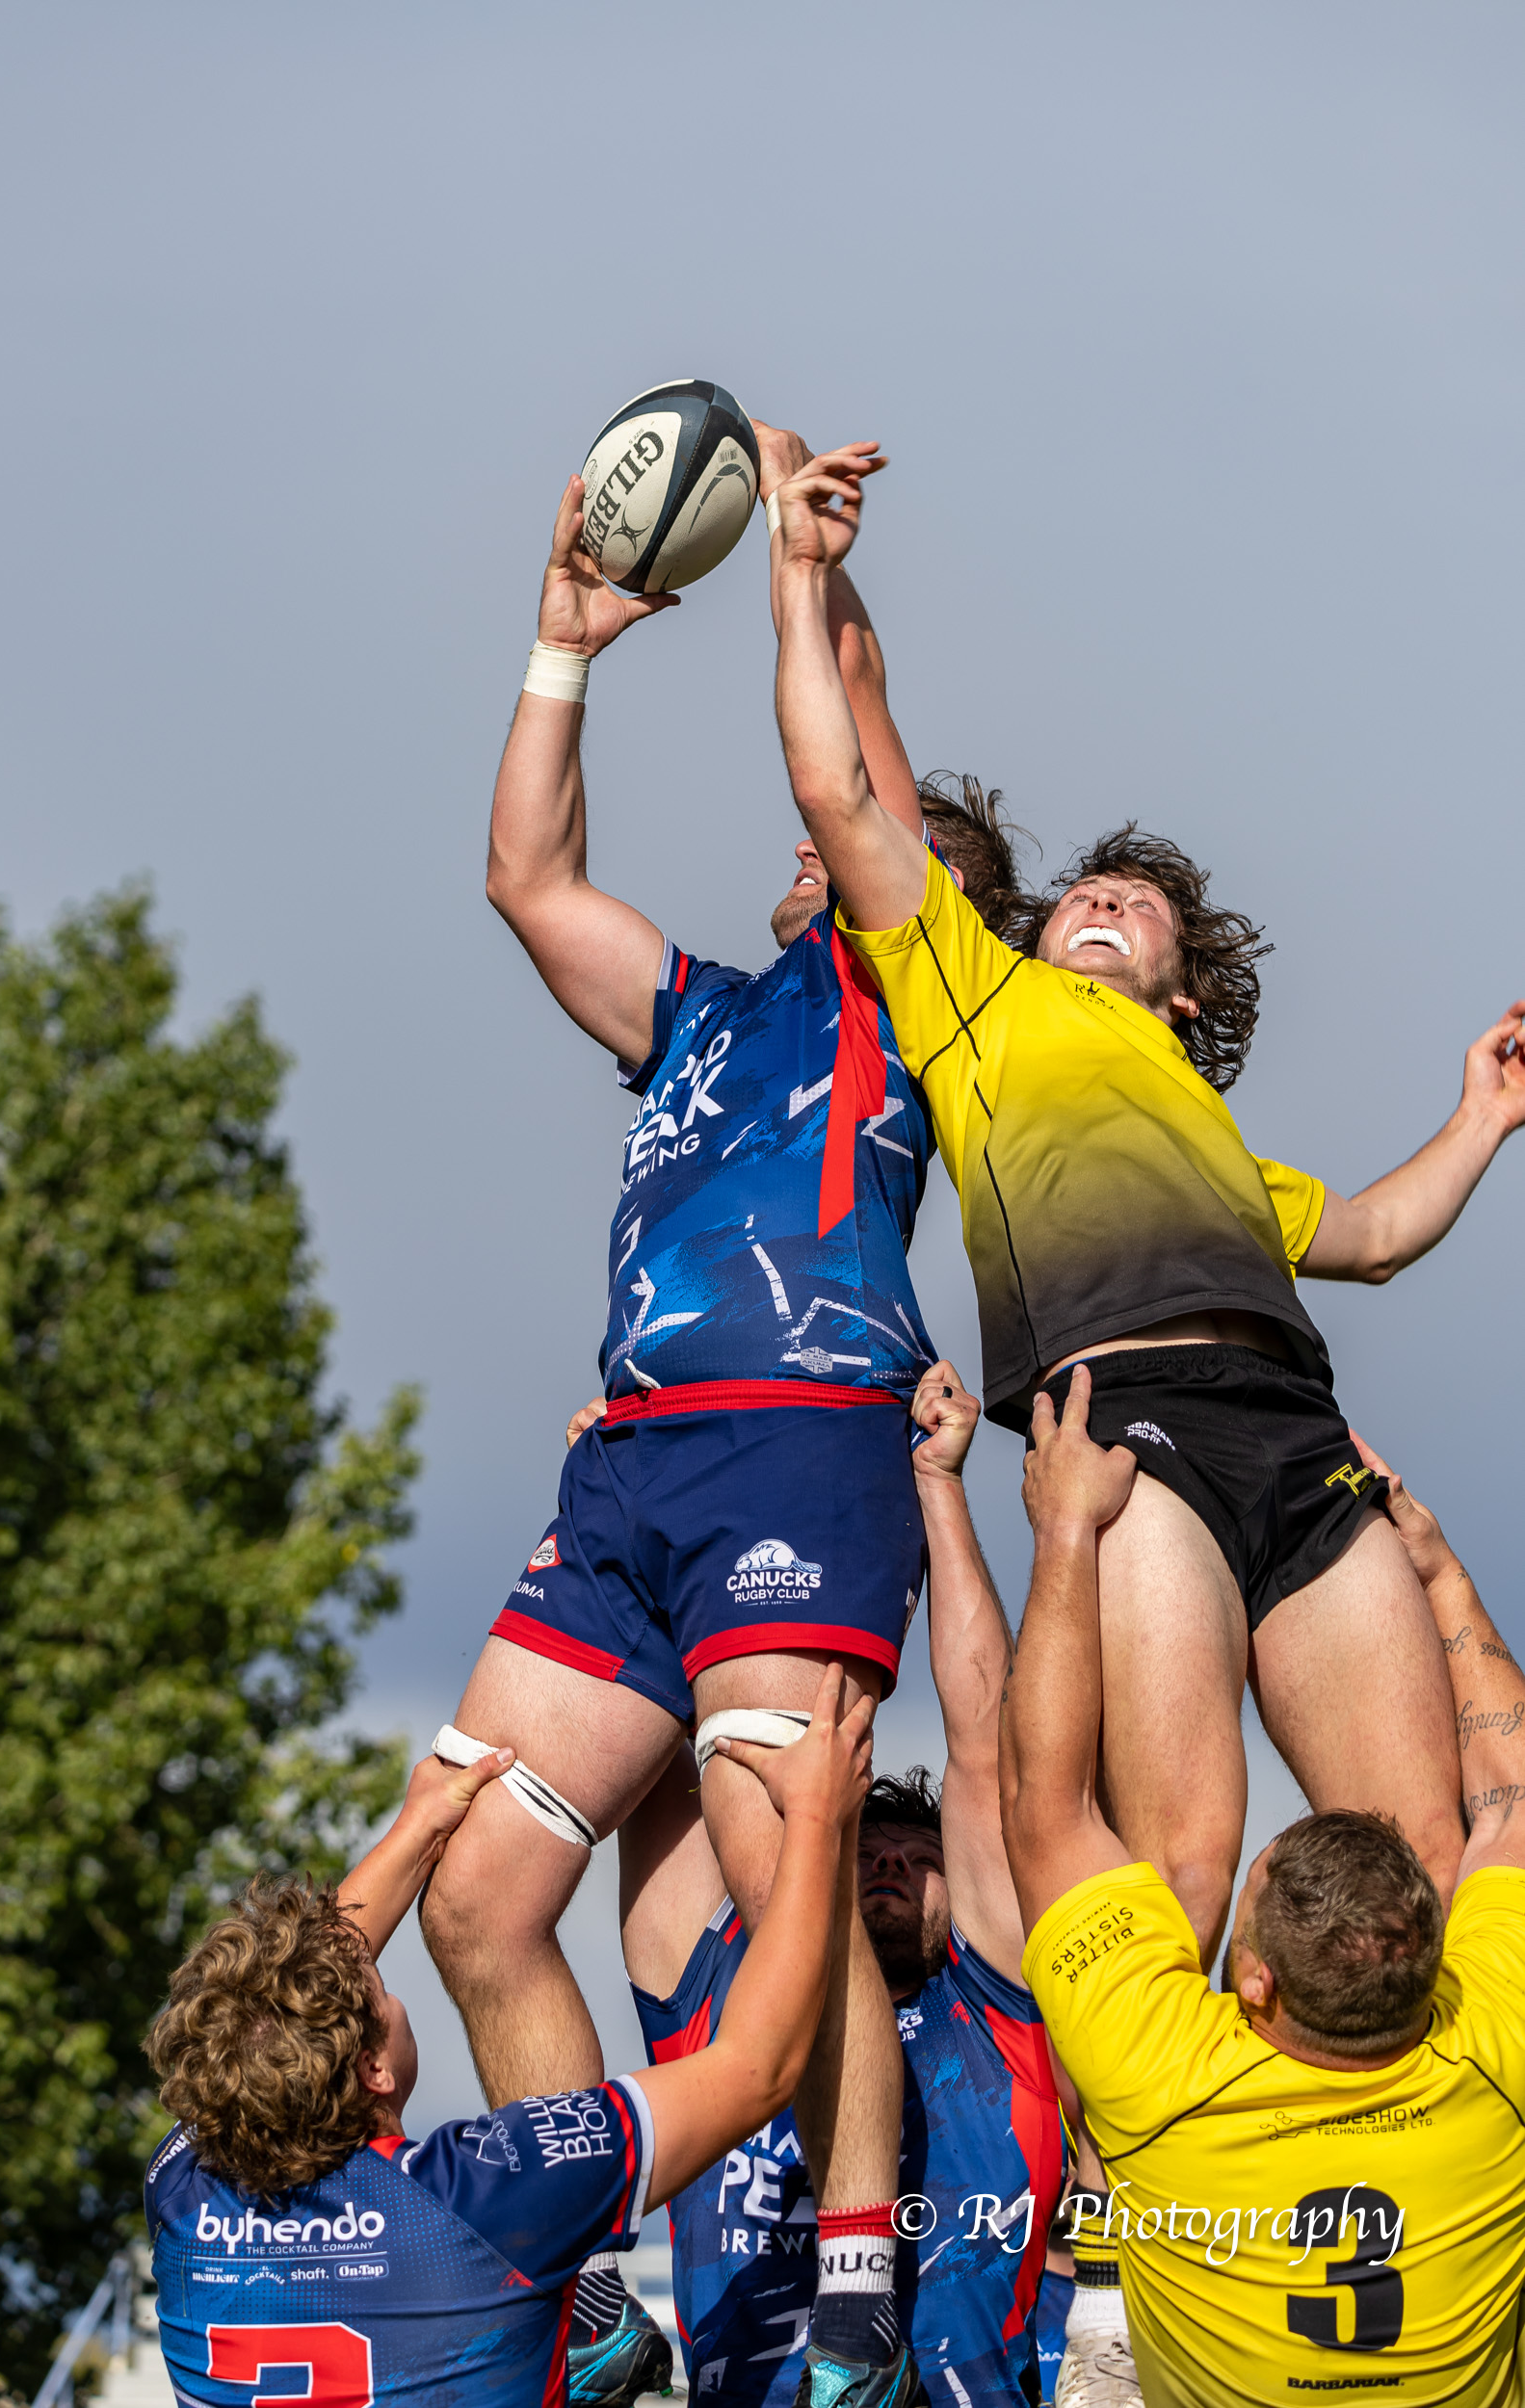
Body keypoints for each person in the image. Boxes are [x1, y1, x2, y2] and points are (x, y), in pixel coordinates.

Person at [768, 437, 1525, 1972]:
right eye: (1081, 896)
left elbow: (1371, 1238)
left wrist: (1481, 1115)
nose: (1101, 902)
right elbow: (845, 769)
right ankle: (1124, 2207)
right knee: (1175, 1862)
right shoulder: (971, 1004)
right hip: (1118, 1418)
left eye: (1140, 903)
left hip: (1292, 1425)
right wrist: (805, 575)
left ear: (1184, 995)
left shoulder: (1209, 1135)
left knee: (1419, 1858)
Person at [421, 426, 1003, 2400]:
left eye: (831, 847)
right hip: (627, 1466)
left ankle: (849, 2296)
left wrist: (802, 579)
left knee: (782, 1872)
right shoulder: (700, 1010)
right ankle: (588, 2309)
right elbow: (523, 873)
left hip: (794, 1434)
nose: (796, 856)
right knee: (478, 1891)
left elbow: (839, 767)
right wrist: (560, 641)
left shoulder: (916, 988)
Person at [998, 1366, 1525, 2408]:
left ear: (1252, 1984)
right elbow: (1503, 1796)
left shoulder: (1157, 2081)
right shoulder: (1491, 2060)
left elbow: (1040, 1796)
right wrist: (1441, 1578)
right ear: (1428, 1958)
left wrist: (1066, 1532)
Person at [143, 1669, 873, 2408]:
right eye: (381, 1995)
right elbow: (757, 2067)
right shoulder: (487, 2194)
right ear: (373, 2072)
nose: (380, 1979)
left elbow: (263, 2029)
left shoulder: (187, 2189)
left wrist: (417, 1827)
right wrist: (816, 1818)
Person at [614, 1360, 1065, 2407]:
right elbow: (651, 1774)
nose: (892, 1870)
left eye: (919, 1860)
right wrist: (638, 1494)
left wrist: (940, 1487)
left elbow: (986, 1742)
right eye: (865, 1850)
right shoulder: (716, 1992)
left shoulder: (997, 2009)